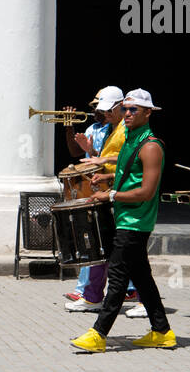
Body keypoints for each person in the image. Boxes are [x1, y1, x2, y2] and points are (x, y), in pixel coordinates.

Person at [71, 89, 176, 352]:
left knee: (117, 278)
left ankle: (98, 334)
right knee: (142, 278)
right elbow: (128, 169)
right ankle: (162, 332)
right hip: (124, 217)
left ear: (148, 112)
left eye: (134, 110)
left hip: (135, 221)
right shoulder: (131, 139)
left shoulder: (151, 146)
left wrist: (112, 195)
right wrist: (107, 178)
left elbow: (147, 191)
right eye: (125, 109)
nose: (127, 114)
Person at [66, 86, 140, 314]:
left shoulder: (128, 130)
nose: (105, 114)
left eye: (109, 110)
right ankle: (92, 296)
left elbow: (134, 159)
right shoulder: (109, 129)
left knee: (127, 250)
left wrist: (103, 164)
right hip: (107, 193)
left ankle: (142, 298)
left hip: (123, 195)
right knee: (100, 244)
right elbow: (112, 164)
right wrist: (96, 160)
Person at [63, 89, 113, 303]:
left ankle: (91, 291)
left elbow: (106, 159)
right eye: (93, 108)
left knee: (97, 240)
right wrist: (69, 126)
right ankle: (85, 288)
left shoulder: (114, 130)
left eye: (98, 108)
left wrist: (92, 152)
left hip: (105, 186)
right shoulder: (93, 127)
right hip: (89, 186)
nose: (94, 111)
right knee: (89, 237)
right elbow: (75, 152)